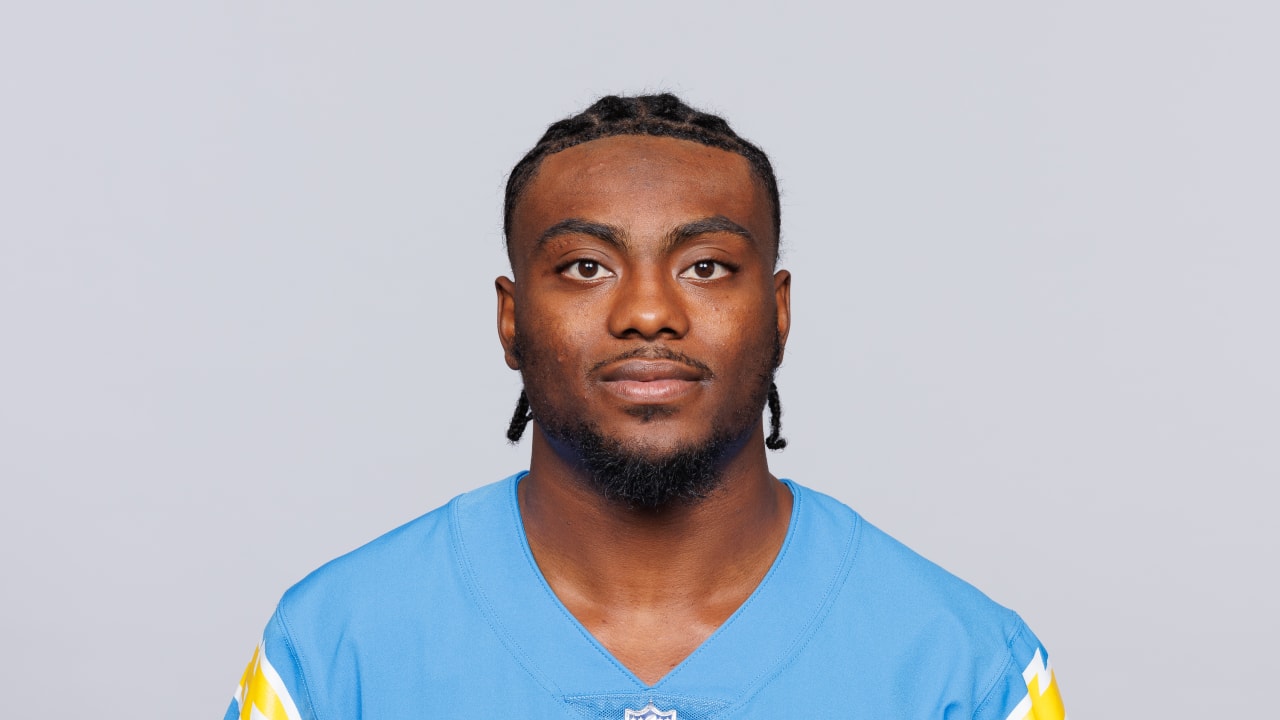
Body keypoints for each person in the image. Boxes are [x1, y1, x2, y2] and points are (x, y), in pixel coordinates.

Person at [225, 94, 1067, 720]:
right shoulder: (334, 650)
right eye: (586, 266)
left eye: (706, 266)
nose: (649, 311)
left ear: (777, 313)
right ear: (511, 318)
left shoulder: (968, 667)